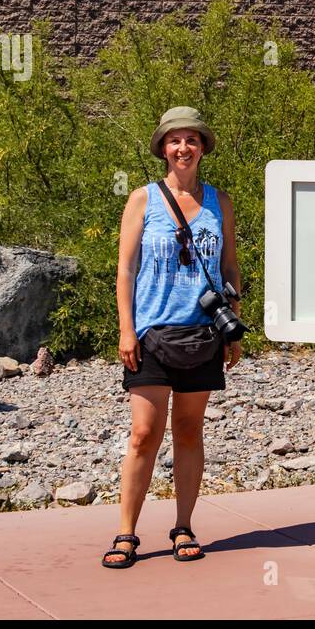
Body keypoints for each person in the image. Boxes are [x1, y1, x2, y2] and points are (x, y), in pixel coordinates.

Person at [101, 107, 242, 568]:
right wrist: (126, 328)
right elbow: (125, 269)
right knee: (144, 433)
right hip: (150, 332)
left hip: (202, 333)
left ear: (203, 148)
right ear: (163, 148)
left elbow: (229, 269)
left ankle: (183, 525)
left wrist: (234, 327)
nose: (183, 148)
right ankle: (126, 533)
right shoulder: (143, 200)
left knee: (188, 429)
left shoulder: (220, 202)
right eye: (175, 140)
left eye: (192, 140)